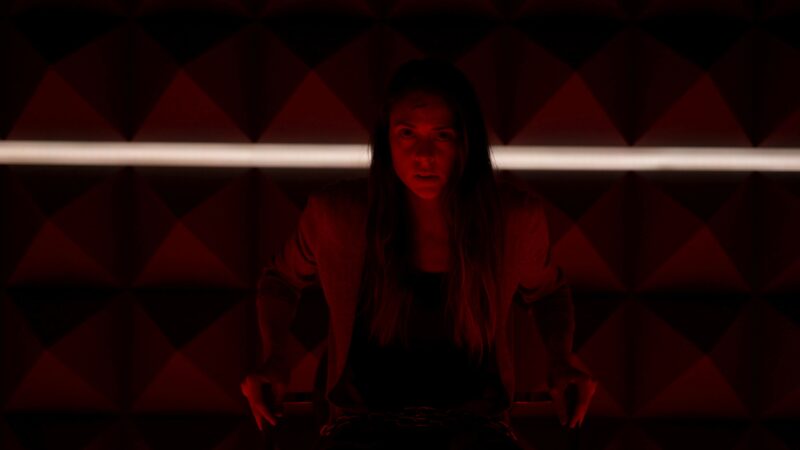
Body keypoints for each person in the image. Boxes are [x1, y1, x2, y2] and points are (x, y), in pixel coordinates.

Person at [240, 58, 598, 449]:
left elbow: (547, 292)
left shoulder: (513, 220)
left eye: (441, 136)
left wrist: (561, 358)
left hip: (478, 431)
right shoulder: (336, 215)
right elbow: (281, 279)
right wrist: (274, 356)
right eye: (407, 134)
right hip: (360, 430)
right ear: (387, 140)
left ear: (465, 141)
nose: (423, 156)